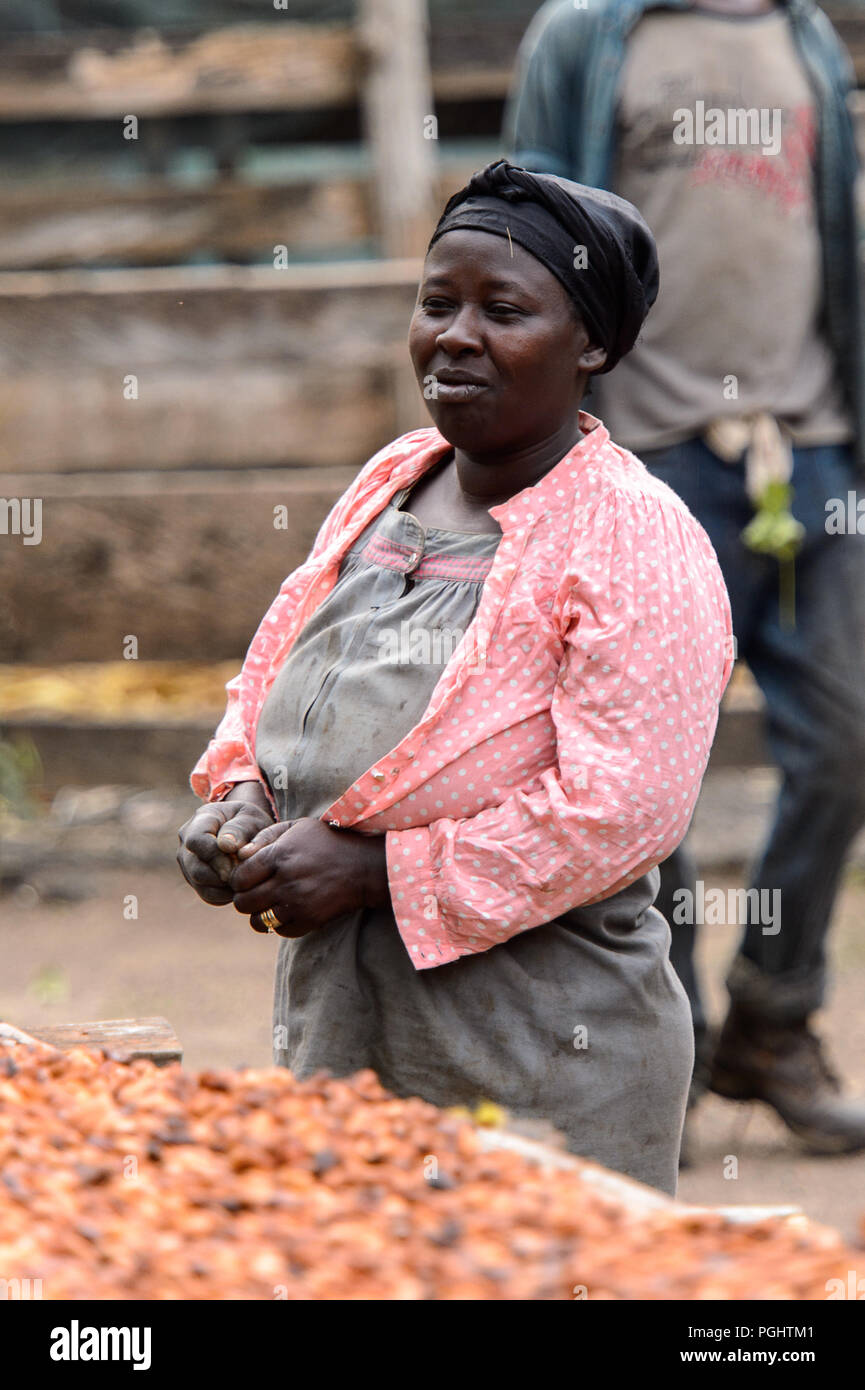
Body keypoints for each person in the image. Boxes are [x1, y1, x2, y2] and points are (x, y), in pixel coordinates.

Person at [177, 159, 733, 1194]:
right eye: (438, 302)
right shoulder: (392, 479)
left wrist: (375, 871)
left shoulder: (633, 535)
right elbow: (277, 665)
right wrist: (240, 798)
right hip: (347, 1029)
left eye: (503, 309)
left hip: (538, 1055)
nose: (455, 335)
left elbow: (620, 811)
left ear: (594, 345)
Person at [505, 0, 865, 1153]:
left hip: (804, 450)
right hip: (648, 466)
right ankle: (667, 1041)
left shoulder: (804, 35)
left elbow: (837, 253)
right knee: (641, 775)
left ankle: (773, 1011)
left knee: (849, 734)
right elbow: (521, 233)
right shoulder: (588, 34)